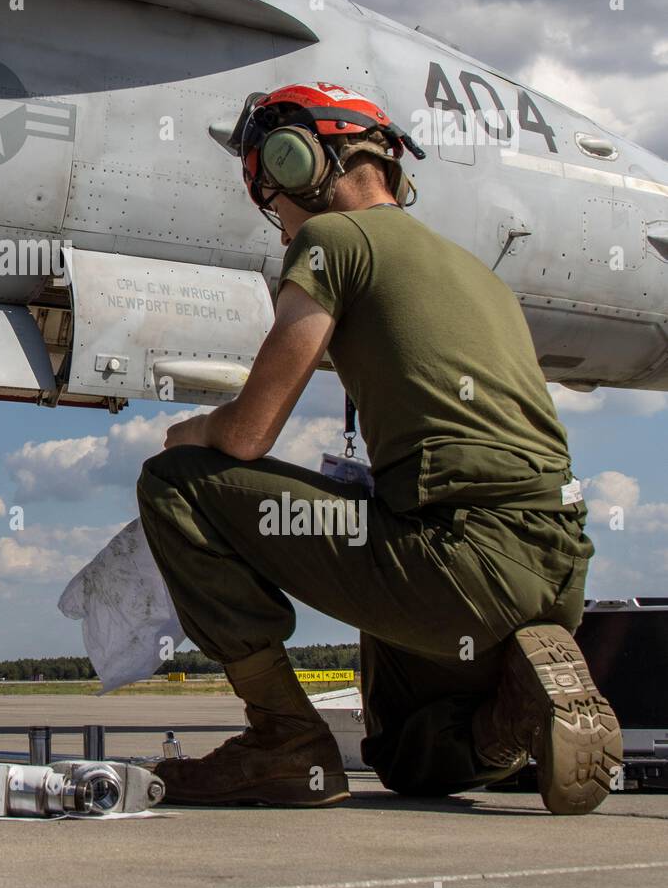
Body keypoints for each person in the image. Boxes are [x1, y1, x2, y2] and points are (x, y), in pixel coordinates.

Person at [137, 83, 621, 814]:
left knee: (175, 481)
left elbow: (248, 434)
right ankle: (511, 717)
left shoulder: (331, 241)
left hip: (459, 562)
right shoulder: (480, 274)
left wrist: (193, 431)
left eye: (271, 193)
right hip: (555, 573)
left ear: (297, 162)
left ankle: (282, 739)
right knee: (405, 757)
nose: (277, 221)